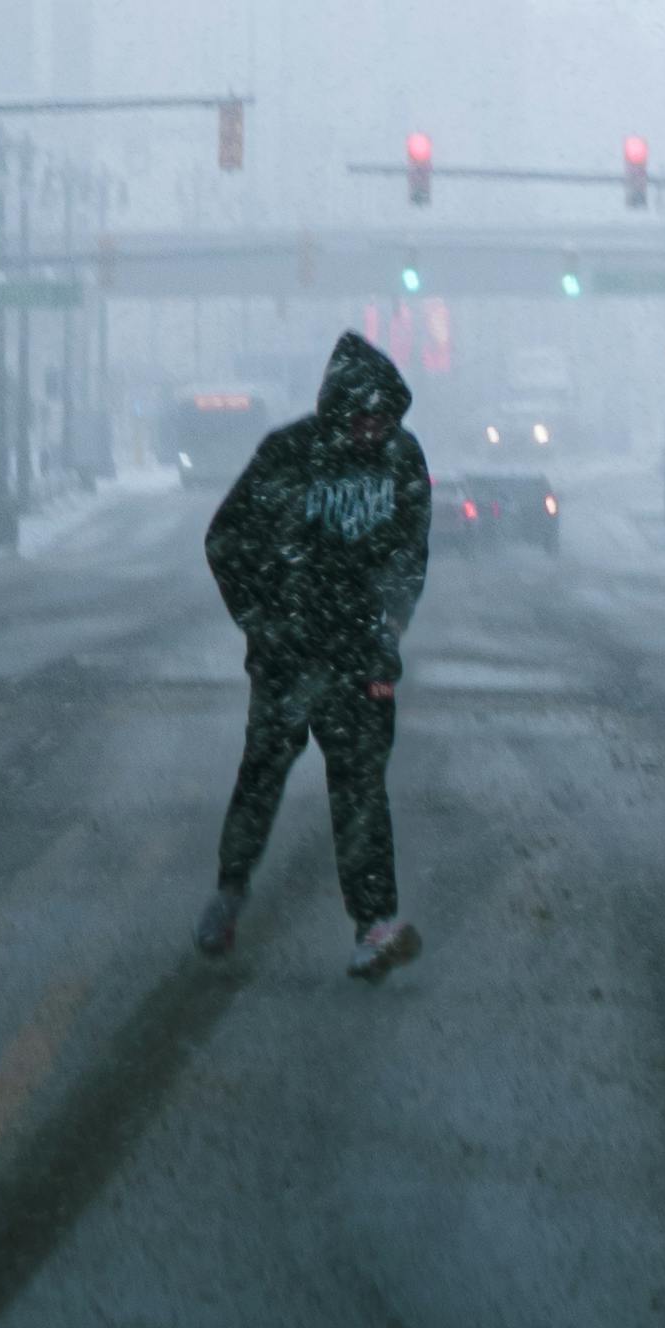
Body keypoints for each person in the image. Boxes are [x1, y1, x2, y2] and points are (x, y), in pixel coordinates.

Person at [196, 324, 435, 976]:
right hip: (287, 655)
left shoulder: (401, 460)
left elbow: (408, 558)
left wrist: (388, 636)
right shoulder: (288, 454)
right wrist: (260, 620)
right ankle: (229, 893)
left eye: (384, 419)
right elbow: (224, 539)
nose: (373, 431)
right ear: (337, 410)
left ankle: (374, 927)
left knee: (359, 792)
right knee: (262, 776)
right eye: (363, 418)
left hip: (359, 660)